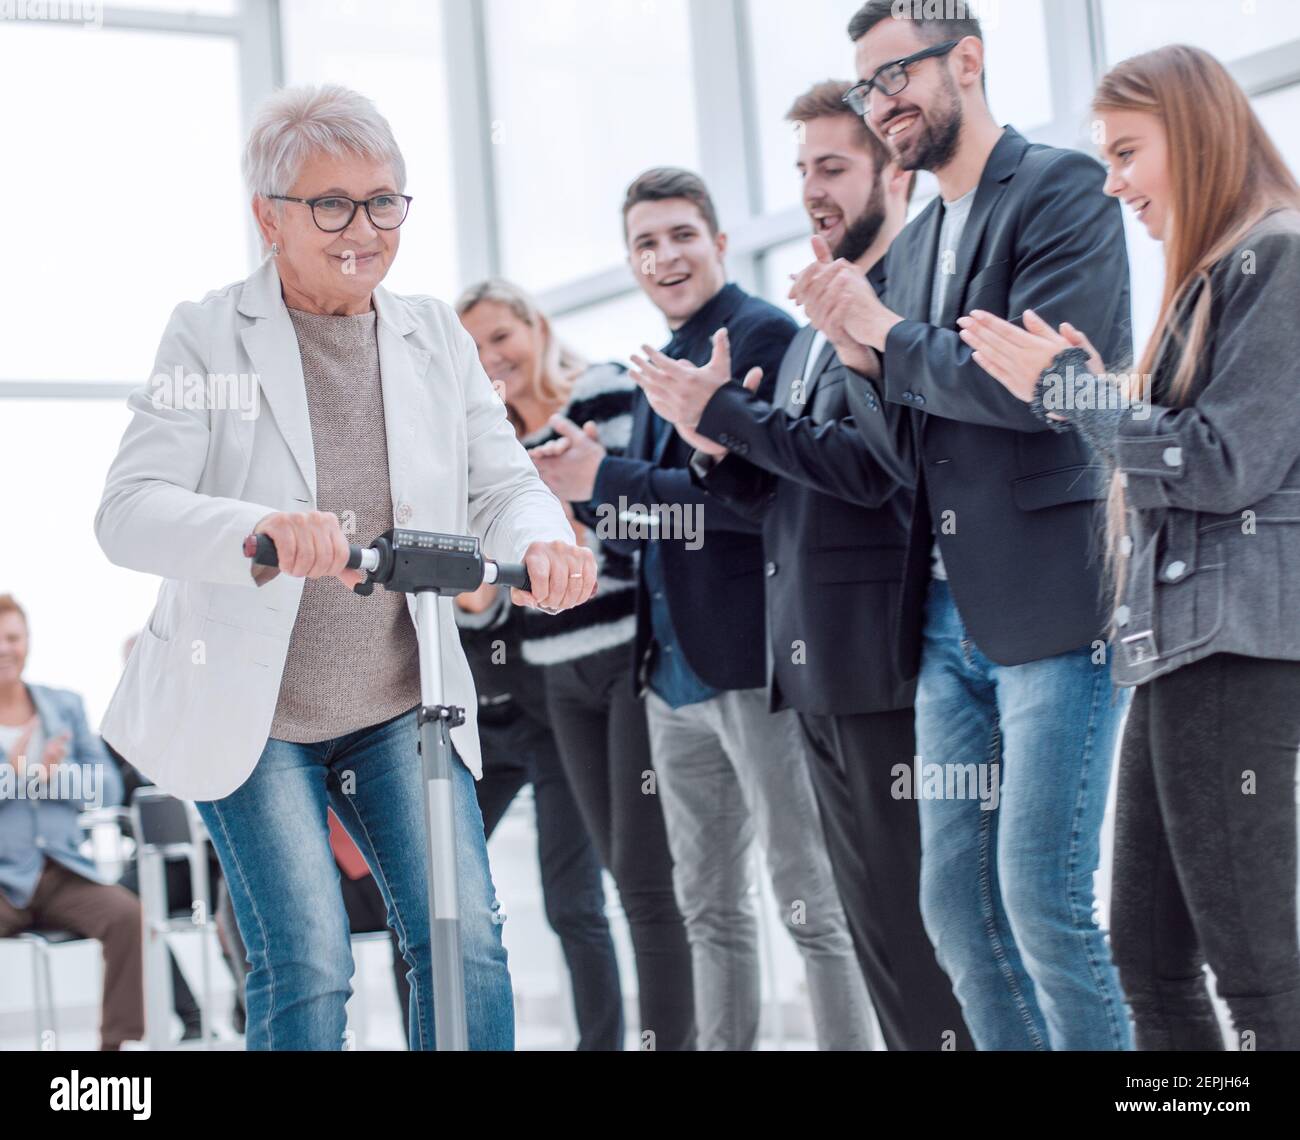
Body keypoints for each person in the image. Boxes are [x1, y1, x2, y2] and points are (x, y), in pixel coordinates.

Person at [93, 84, 595, 1051]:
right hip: (256, 710)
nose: (362, 229)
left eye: (383, 201)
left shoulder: (433, 335)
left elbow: (504, 478)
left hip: (401, 699)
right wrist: (261, 528)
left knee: (464, 947)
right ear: (267, 218)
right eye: (330, 205)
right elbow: (128, 512)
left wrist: (543, 537)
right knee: (309, 958)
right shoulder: (206, 334)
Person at [791, 2, 1136, 1049]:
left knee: (1044, 904)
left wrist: (883, 336)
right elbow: (906, 455)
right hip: (942, 627)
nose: (880, 104)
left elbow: (1038, 390)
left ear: (967, 62)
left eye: (894, 77)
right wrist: (861, 360)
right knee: (955, 908)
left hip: (1048, 605)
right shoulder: (920, 235)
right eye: (865, 88)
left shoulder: (1061, 190)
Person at [958, 44, 1300, 1051]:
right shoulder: (1206, 278)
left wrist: (1068, 389)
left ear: (1190, 135)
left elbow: (1222, 464)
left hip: (1234, 650)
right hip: (1180, 652)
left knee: (1255, 967)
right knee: (1146, 961)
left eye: (1125, 153)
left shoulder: (1275, 255)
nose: (1111, 184)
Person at [631, 81, 971, 1051]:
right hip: (815, 664)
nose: (813, 191)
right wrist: (710, 444)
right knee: (874, 934)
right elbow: (792, 495)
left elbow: (876, 474)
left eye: (833, 168)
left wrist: (724, 417)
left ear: (890, 170)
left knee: (917, 931)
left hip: (882, 662)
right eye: (802, 171)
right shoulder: (827, 313)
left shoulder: (896, 302)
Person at [532, 166, 871, 1050]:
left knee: (807, 898)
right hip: (671, 679)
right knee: (709, 909)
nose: (664, 255)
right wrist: (586, 491)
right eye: (645, 242)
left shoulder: (758, 334)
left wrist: (602, 479)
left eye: (681, 234)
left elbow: (737, 500)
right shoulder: (667, 357)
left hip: (750, 667)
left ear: (719, 242)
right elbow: (660, 519)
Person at [458, 279, 694, 1050]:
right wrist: (479, 590)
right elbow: (496, 605)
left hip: (624, 660)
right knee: (592, 892)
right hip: (555, 677)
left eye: (502, 336)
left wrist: (585, 523)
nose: (494, 359)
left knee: (637, 884)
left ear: (537, 327)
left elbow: (645, 529)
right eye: (475, 349)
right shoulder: (493, 457)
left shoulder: (603, 396)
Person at [0, 594, 144, 1051]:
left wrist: (53, 775)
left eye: (12, 637)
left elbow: (107, 789)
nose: (4, 648)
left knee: (127, 917)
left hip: (62, 874)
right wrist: (14, 776)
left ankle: (117, 1047)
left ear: (27, 641)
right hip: (3, 879)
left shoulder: (64, 706)